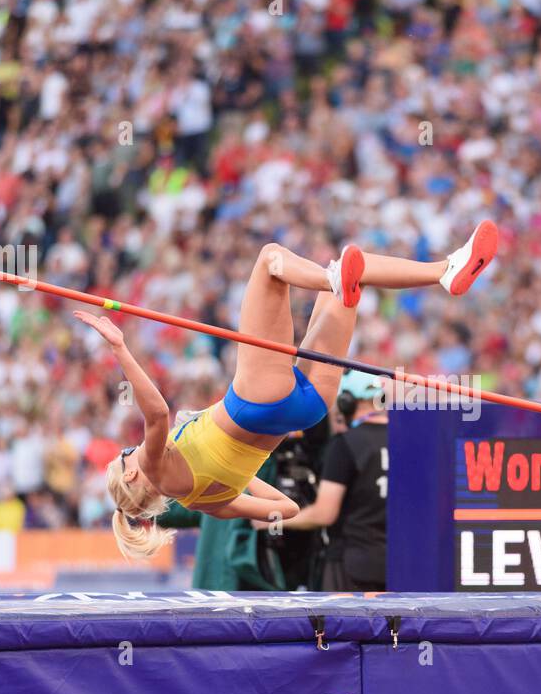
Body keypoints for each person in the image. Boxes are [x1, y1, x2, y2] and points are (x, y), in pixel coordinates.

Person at [79, 221, 498, 558]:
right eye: (126, 455)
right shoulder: (152, 466)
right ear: (132, 472)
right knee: (269, 261)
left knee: (354, 275)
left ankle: (444, 271)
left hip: (307, 407)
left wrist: (241, 474)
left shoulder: (201, 502)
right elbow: (155, 413)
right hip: (255, 400)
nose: (133, 450)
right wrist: (119, 347)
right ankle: (333, 279)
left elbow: (286, 509)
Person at [258, 370, 389, 591]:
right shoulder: (406, 441)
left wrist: (274, 520)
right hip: (396, 564)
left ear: (347, 402)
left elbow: (325, 513)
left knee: (347, 626)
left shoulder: (345, 444)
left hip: (352, 566)